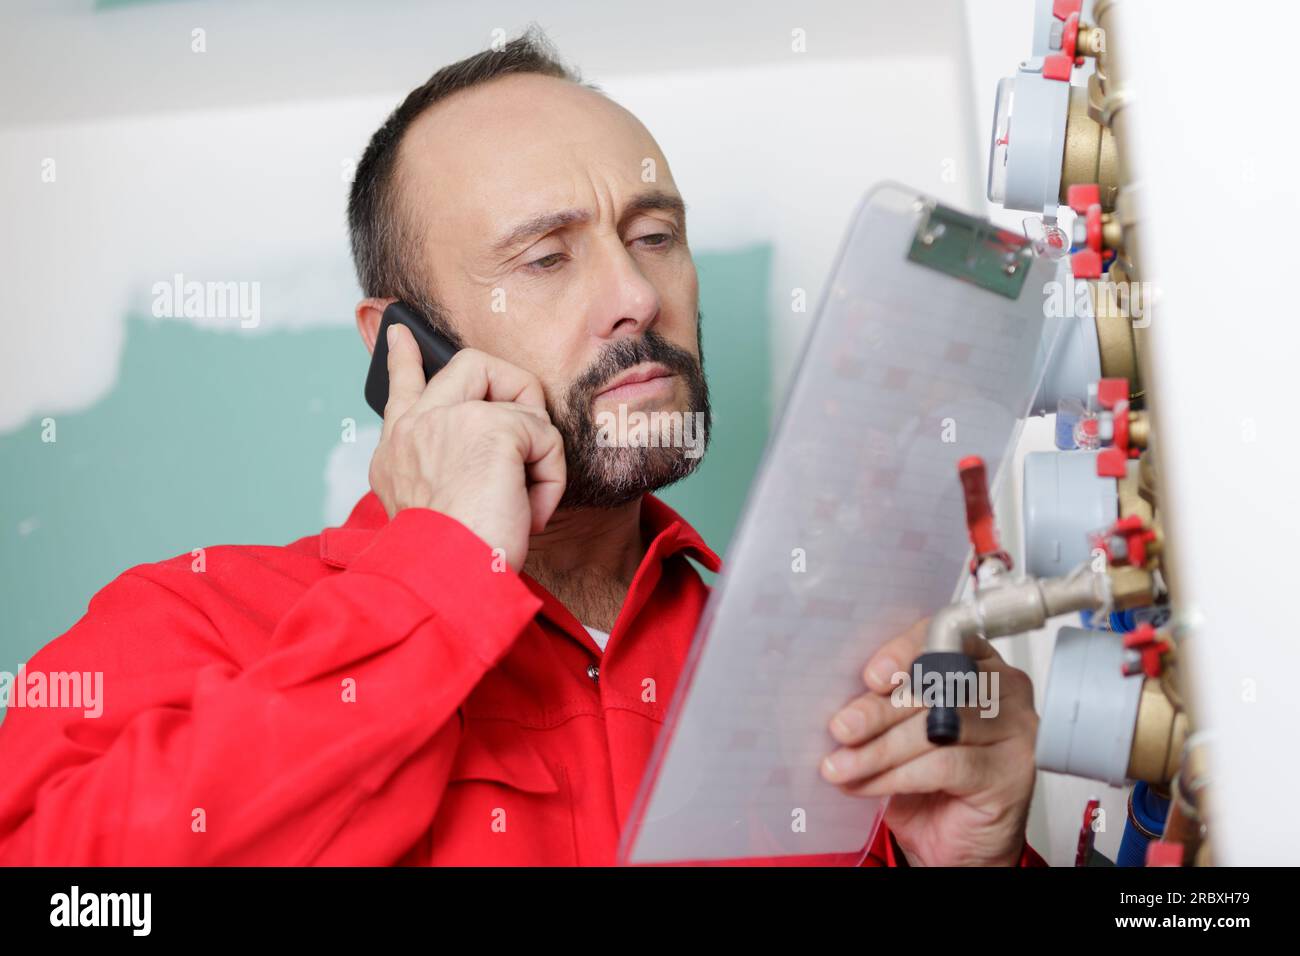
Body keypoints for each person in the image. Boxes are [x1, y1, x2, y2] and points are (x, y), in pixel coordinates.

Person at [0, 28, 1043, 867]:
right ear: (402, 349)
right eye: (545, 257)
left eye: (652, 235)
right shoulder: (192, 622)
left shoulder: (836, 672)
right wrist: (429, 590)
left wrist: (976, 860)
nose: (637, 297)